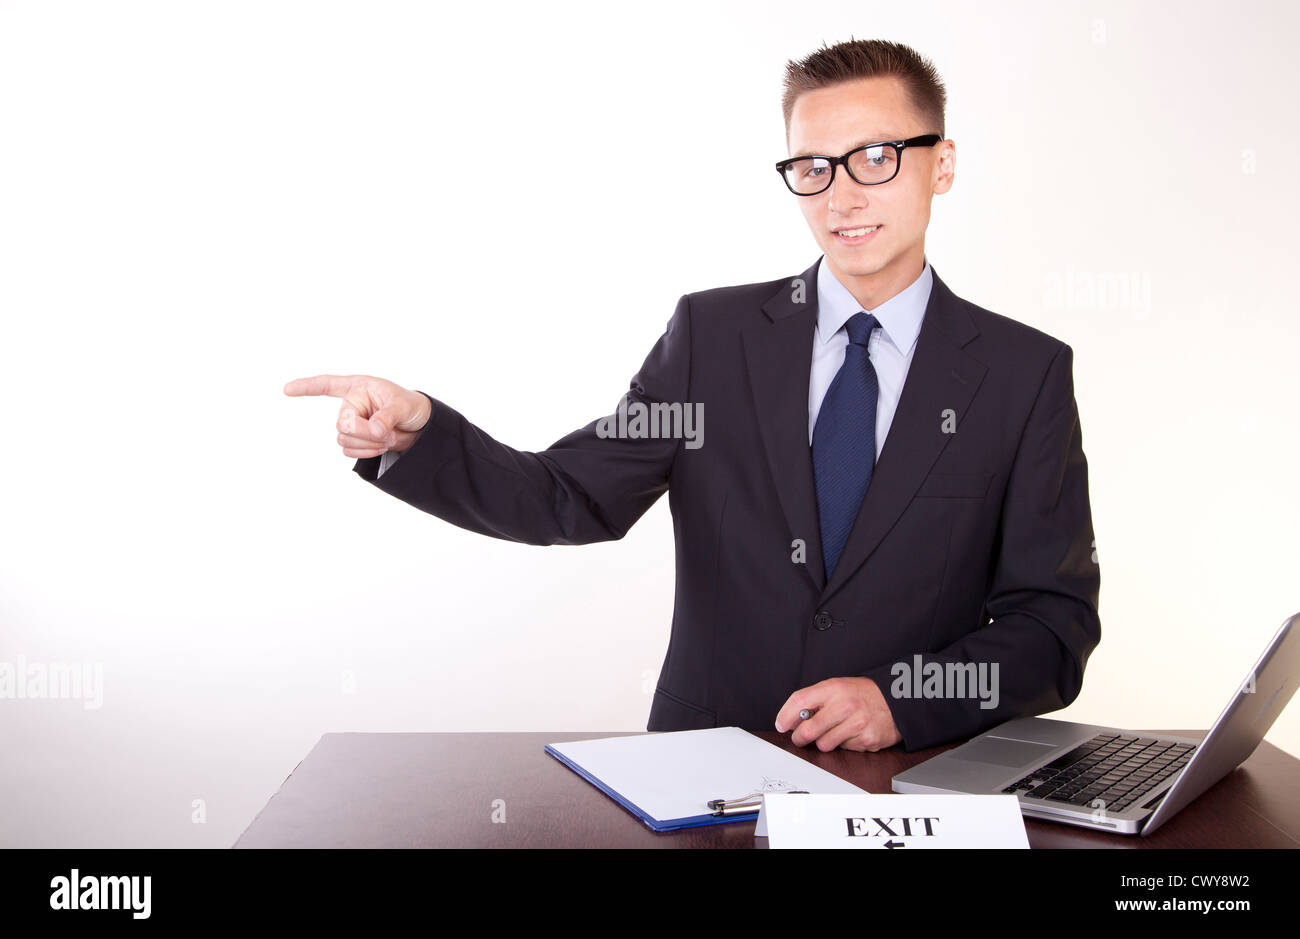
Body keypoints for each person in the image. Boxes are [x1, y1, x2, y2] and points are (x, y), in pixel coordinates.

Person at [284, 38, 1100, 753]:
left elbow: (1052, 623)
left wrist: (900, 700)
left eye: (876, 157)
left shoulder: (1023, 374)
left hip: (915, 778)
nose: (841, 197)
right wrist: (418, 434)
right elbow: (570, 497)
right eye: (813, 167)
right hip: (708, 771)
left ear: (942, 163)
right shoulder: (714, 340)